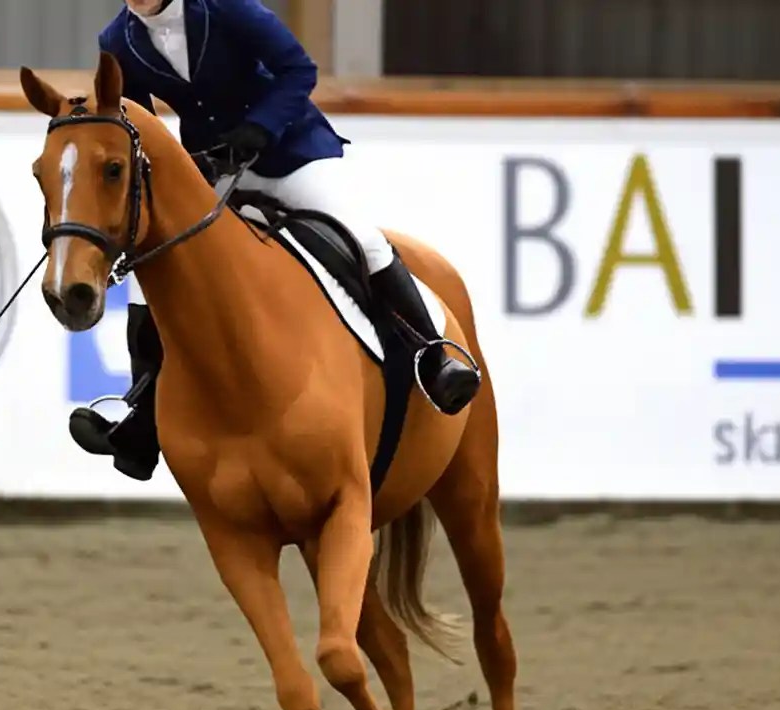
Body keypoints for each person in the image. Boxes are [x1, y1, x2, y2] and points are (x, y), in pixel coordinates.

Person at [68, 0, 480, 481]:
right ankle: (143, 415)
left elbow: (298, 70)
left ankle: (433, 355)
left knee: (362, 239)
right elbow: (138, 125)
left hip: (290, 152)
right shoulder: (117, 40)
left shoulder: (227, 9)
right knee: (151, 273)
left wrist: (260, 128)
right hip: (214, 167)